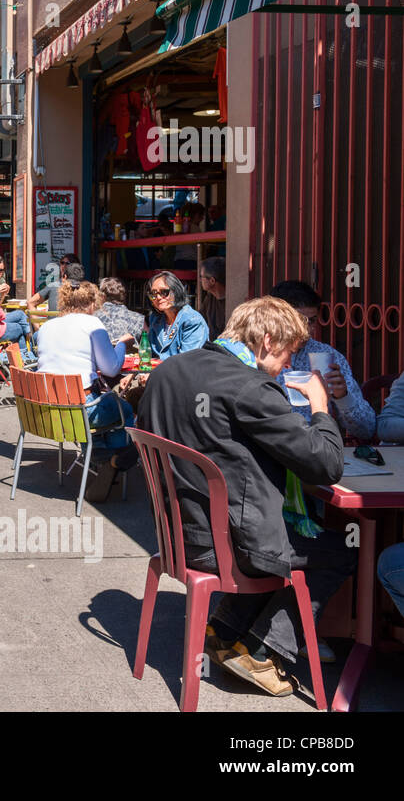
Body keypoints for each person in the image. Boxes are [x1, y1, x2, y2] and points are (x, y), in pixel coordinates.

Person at [138, 297, 354, 697]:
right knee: (338, 550)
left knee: (274, 529)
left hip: (178, 538)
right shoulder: (250, 386)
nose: (289, 365)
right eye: (288, 354)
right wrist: (321, 406)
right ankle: (262, 650)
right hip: (227, 548)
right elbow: (325, 465)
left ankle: (223, 631)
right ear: (268, 341)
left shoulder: (169, 370)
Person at [34, 281, 136, 501]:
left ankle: (101, 458)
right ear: (92, 302)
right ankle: (114, 462)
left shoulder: (47, 327)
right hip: (82, 411)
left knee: (101, 405)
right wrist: (121, 346)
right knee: (125, 409)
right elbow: (110, 368)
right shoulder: (92, 323)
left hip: (46, 411)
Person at [269, 280, 376, 440]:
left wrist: (342, 396)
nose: (306, 329)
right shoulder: (255, 355)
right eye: (298, 320)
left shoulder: (327, 356)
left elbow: (366, 429)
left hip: (317, 452)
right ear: (276, 318)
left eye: (311, 321)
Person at [145, 271, 209, 358]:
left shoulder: (192, 320)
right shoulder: (155, 318)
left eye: (164, 292)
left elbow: (187, 359)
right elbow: (150, 354)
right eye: (153, 294)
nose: (158, 297)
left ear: (176, 292)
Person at [95, 277, 145, 343]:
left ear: (102, 296)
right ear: (124, 296)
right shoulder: (139, 318)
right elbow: (148, 345)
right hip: (128, 352)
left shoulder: (93, 317)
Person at [198, 256, 227, 338]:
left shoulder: (231, 301)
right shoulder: (210, 297)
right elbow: (198, 319)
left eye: (201, 277)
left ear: (212, 281)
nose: (200, 280)